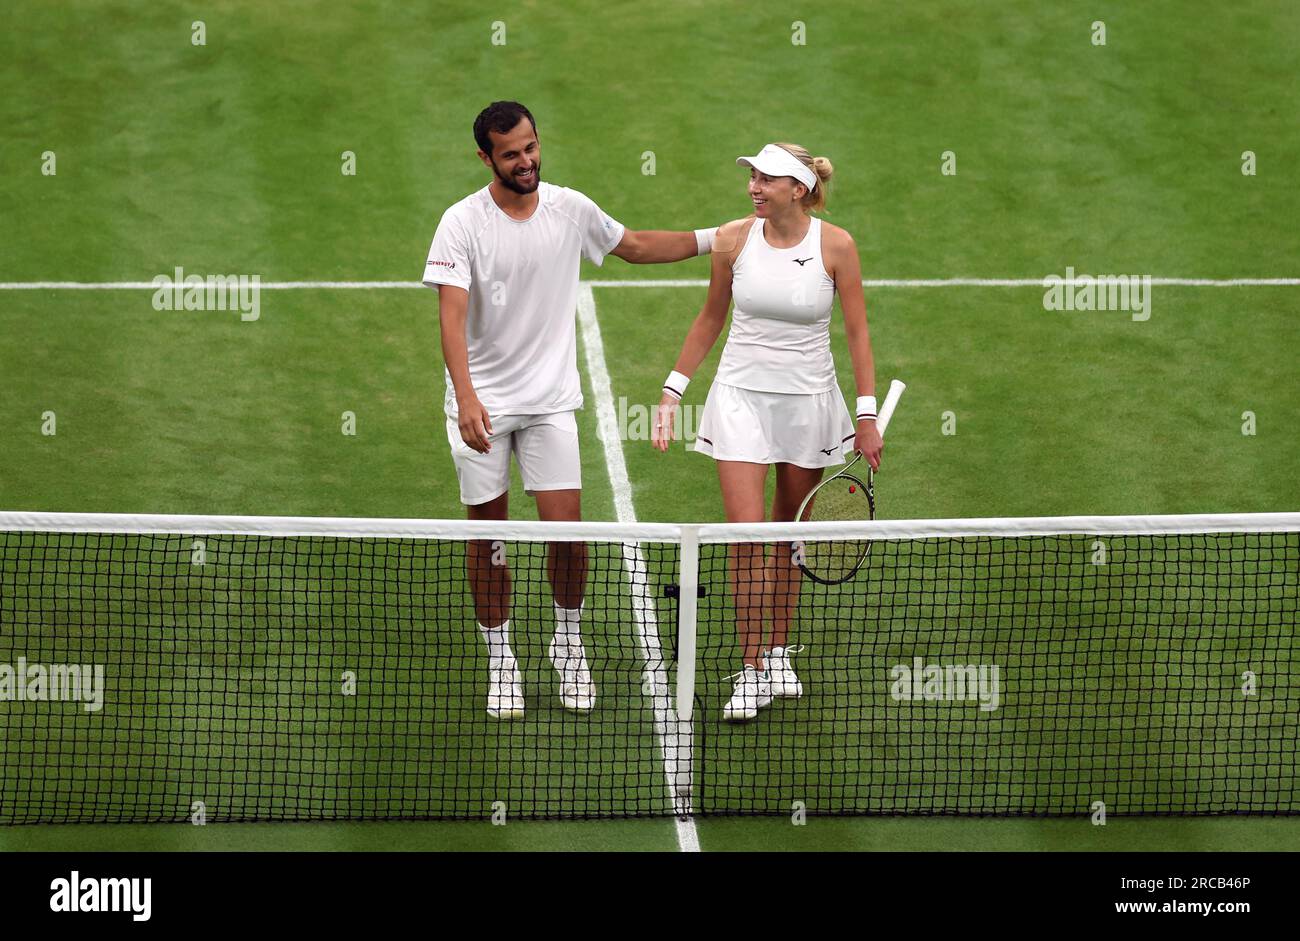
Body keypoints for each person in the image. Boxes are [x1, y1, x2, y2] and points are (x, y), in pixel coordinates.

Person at [423, 101, 717, 719]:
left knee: (569, 537)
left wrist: (717, 239)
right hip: (482, 408)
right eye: (511, 153)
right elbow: (451, 319)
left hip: (551, 403)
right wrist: (468, 397)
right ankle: (501, 656)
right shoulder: (460, 223)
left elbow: (634, 245)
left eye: (531, 147)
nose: (526, 161)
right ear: (486, 158)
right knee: (490, 541)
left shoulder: (569, 209)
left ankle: (567, 641)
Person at [652, 142, 883, 721]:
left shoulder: (836, 245)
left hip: (808, 404)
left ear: (798, 189)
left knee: (786, 537)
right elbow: (711, 316)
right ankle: (752, 666)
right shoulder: (733, 238)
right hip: (740, 402)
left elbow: (857, 333)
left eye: (767, 178)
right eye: (752, 176)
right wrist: (673, 389)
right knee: (746, 537)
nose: (754, 185)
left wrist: (867, 414)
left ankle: (780, 652)